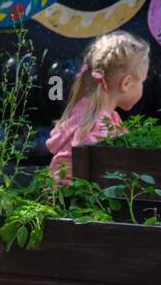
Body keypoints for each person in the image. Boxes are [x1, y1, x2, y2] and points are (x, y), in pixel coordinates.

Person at [48, 30, 150, 181]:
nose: (143, 87)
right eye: (142, 81)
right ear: (126, 83)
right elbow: (102, 174)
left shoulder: (85, 110)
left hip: (59, 194)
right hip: (77, 199)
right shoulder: (99, 126)